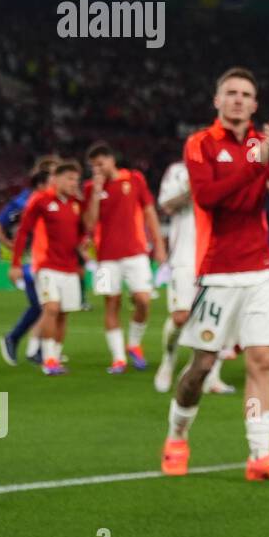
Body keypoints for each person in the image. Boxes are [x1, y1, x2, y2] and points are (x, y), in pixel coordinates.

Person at [159, 67, 269, 482]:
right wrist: (253, 162)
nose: (239, 99)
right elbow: (208, 197)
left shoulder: (262, 145)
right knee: (203, 365)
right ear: (217, 100)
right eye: (231, 93)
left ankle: (260, 454)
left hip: (259, 271)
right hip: (217, 272)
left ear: (255, 105)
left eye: (246, 94)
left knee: (262, 361)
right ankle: (177, 435)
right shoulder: (200, 144)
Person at [83, 142, 166, 374]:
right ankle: (118, 358)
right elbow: (90, 223)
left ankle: (134, 343)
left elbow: (149, 213)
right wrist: (97, 193)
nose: (97, 169)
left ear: (111, 160)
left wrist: (159, 245)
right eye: (93, 166)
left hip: (136, 252)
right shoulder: (91, 188)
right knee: (111, 304)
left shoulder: (135, 179)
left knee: (143, 300)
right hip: (104, 258)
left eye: (100, 164)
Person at [154, 159, 233, 395]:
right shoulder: (179, 171)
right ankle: (168, 360)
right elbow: (166, 205)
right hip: (185, 256)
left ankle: (211, 376)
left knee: (218, 319)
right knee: (180, 317)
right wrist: (193, 186)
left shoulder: (228, 171)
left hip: (219, 256)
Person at [9, 160, 86, 376]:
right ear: (57, 179)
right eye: (70, 179)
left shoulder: (76, 203)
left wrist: (82, 255)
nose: (74, 183)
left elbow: (80, 233)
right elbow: (23, 230)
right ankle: (49, 360)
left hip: (69, 267)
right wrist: (15, 264)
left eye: (76, 180)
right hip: (47, 266)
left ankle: (55, 357)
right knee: (51, 308)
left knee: (63, 314)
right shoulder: (41, 200)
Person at [0, 155, 58, 366]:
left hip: (48, 259)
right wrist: (11, 246)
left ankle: (35, 349)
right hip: (31, 260)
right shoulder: (25, 200)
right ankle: (17, 339)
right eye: (55, 172)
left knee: (45, 305)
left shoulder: (54, 199)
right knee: (43, 305)